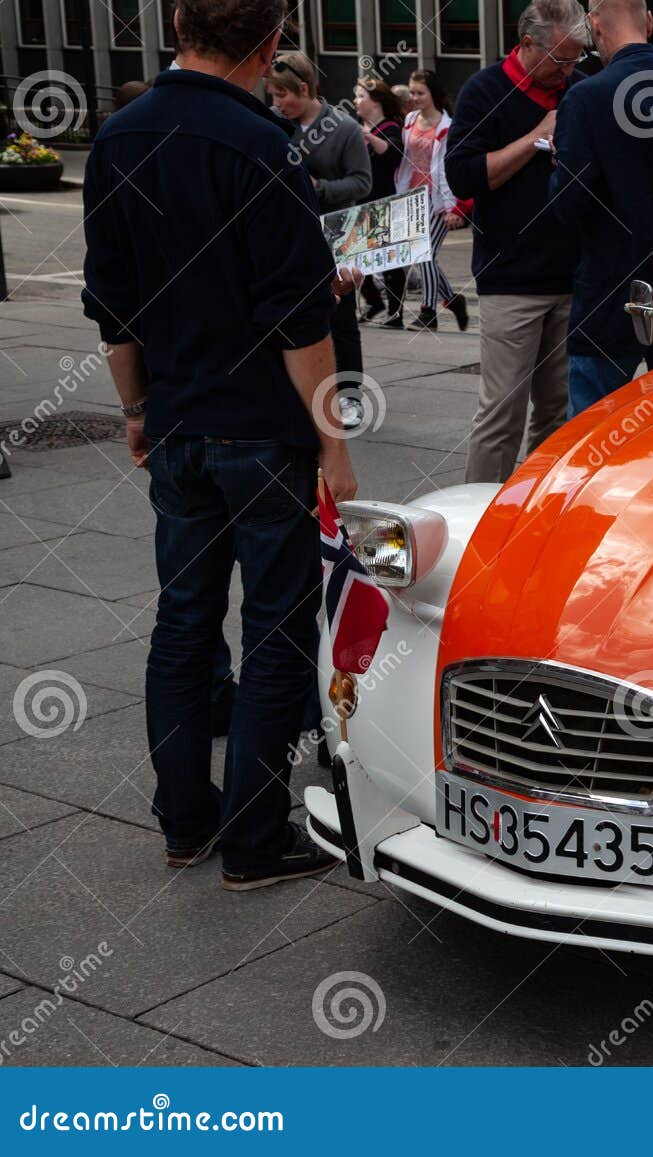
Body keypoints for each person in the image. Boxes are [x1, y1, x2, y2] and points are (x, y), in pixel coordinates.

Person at [81, 0, 353, 891]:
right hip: (263, 429)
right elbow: (297, 317)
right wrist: (335, 446)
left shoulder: (119, 138)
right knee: (276, 631)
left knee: (182, 621)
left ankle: (183, 820)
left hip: (179, 423)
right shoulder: (263, 146)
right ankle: (254, 834)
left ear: (175, 30)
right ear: (270, 47)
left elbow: (113, 304)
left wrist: (135, 409)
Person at [550, 0, 653, 415]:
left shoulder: (586, 97)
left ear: (594, 26)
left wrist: (560, 162)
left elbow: (566, 205)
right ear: (649, 21)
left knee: (591, 437)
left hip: (609, 290)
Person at [446, 0, 583, 483]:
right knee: (501, 413)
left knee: (558, 416)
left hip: (570, 276)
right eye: (561, 59)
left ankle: (536, 520)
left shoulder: (578, 89)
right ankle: (476, 519)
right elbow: (463, 177)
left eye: (576, 59)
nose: (569, 70)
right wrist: (535, 138)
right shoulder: (484, 90)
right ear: (527, 44)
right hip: (511, 280)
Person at [266, 52, 372, 426]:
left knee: (341, 319)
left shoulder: (343, 128)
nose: (277, 104)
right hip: (288, 234)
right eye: (273, 96)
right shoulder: (273, 126)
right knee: (292, 315)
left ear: (305, 89)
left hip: (337, 235)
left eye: (283, 95)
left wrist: (318, 188)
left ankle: (349, 396)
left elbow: (362, 181)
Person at [398, 69, 470, 332]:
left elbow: (447, 168)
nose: (415, 97)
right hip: (412, 198)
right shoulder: (410, 119)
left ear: (434, 95)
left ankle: (428, 312)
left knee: (424, 252)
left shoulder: (447, 127)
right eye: (412, 92)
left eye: (420, 93)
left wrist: (453, 207)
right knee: (420, 253)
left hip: (436, 198)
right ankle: (452, 300)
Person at [354, 75, 407, 327]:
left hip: (385, 201)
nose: (356, 100)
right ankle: (374, 301)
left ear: (375, 101)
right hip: (362, 200)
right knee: (354, 257)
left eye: (361, 96)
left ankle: (395, 312)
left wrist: (368, 136)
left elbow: (393, 153)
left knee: (390, 260)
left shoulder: (389, 128)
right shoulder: (360, 127)